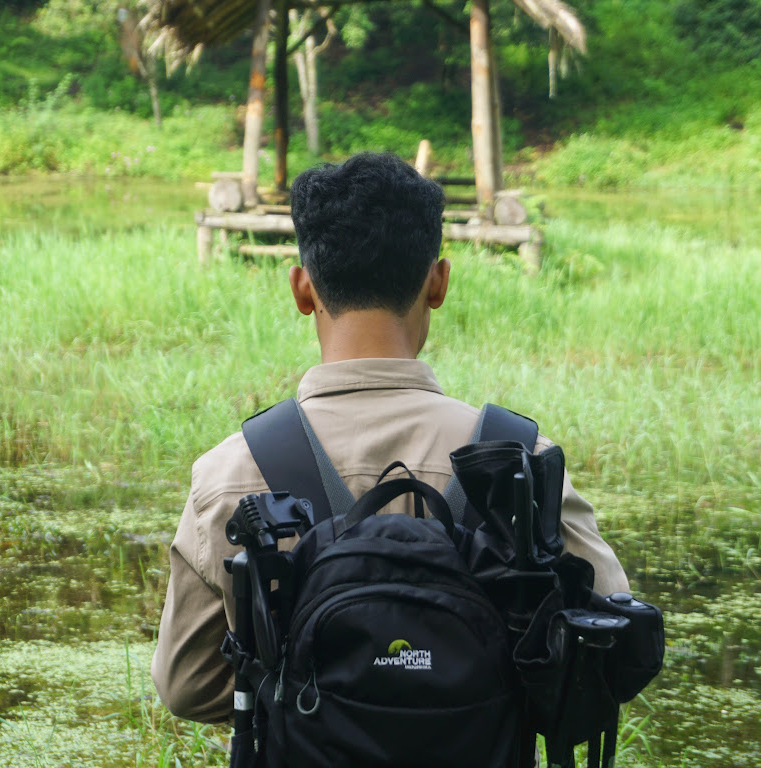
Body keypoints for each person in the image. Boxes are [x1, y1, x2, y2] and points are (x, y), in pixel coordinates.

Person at [151, 151, 629, 733]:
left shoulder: (230, 472)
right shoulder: (520, 461)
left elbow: (187, 687)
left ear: (302, 290)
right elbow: (611, 650)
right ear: (439, 282)